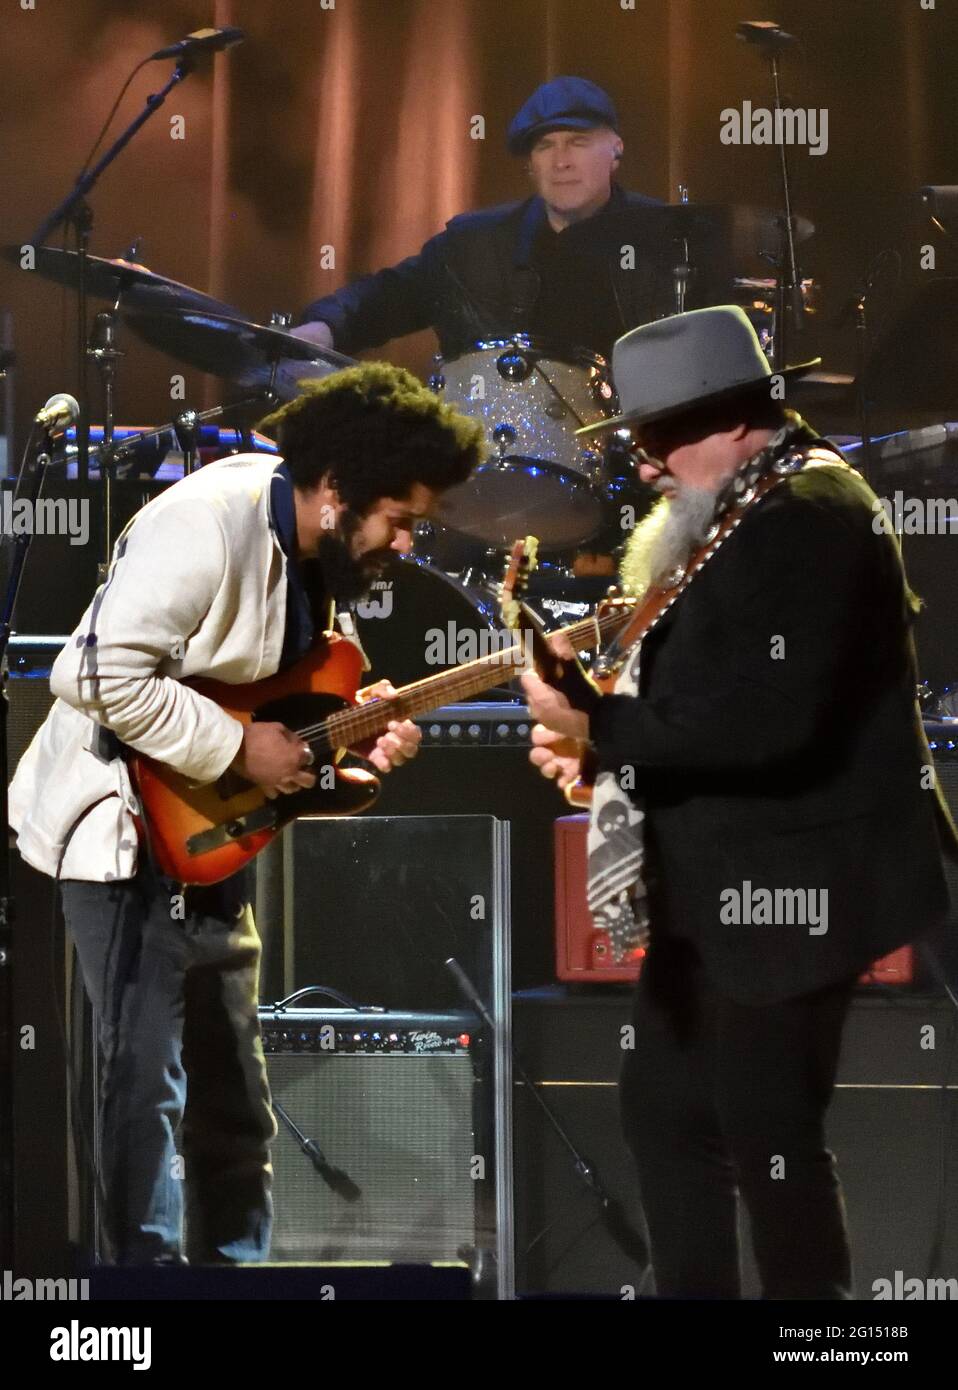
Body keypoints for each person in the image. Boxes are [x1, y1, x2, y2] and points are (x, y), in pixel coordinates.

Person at [522, 306, 958, 1299]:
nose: (644, 462)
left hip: (795, 884)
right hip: (722, 876)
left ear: (733, 420)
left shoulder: (803, 517)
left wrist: (599, 729)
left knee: (768, 1138)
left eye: (658, 436)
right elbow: (708, 707)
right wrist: (607, 760)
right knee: (667, 1113)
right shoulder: (745, 507)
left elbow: (769, 726)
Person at [9, 363, 484, 1266]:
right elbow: (93, 673)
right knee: (144, 1097)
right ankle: (144, 1309)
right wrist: (237, 752)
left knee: (234, 1102)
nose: (408, 541)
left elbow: (282, 703)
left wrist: (356, 743)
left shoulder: (317, 558)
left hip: (208, 849)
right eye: (402, 518)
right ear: (339, 490)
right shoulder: (205, 525)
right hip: (121, 840)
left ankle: (238, 1285)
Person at [293, 76, 725, 366]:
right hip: (488, 464)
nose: (561, 162)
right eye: (544, 147)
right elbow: (389, 296)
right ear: (531, 165)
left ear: (615, 150)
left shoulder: (669, 240)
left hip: (629, 464)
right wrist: (326, 326)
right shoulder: (473, 244)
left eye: (578, 142)